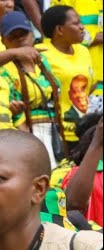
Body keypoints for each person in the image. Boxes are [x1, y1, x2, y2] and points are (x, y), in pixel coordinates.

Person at [0, 12, 62, 161]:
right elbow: (16, 113)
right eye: (13, 36)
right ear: (3, 41)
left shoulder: (42, 59)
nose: (20, 40)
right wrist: (28, 145)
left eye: (23, 34)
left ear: (32, 34)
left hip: (54, 129)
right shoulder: (3, 68)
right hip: (29, 131)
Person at [38, 6, 98, 148]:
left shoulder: (83, 50)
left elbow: (91, 84)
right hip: (57, 132)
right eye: (76, 23)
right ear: (59, 30)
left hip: (84, 130)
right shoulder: (42, 54)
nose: (82, 27)